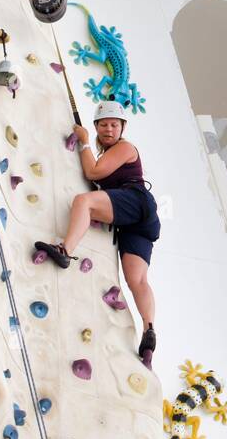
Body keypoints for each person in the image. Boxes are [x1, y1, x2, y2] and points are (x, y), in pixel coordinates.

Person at [35, 102, 160, 368]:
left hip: (135, 200)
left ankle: (65, 250)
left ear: (122, 128)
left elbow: (93, 172)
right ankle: (149, 331)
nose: (108, 129)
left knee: (84, 202)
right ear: (97, 126)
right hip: (135, 222)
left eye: (114, 124)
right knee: (135, 279)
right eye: (103, 124)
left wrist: (83, 142)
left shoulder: (125, 148)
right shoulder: (109, 153)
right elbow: (95, 169)